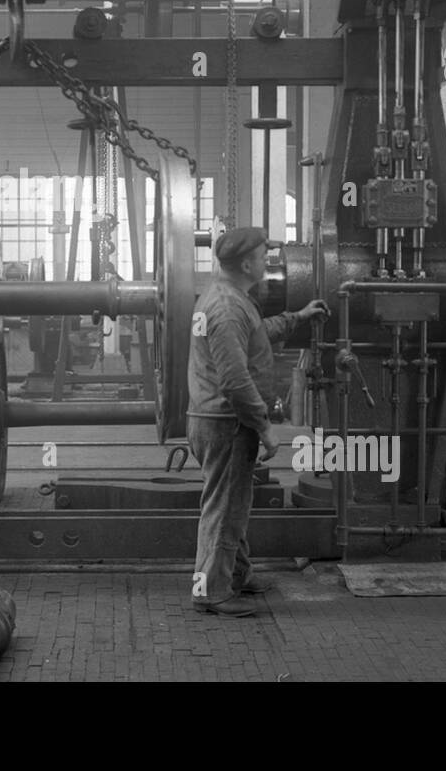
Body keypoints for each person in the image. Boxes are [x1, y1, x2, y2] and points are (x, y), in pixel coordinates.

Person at [187, 226, 328, 617]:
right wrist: (265, 427)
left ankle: (235, 576)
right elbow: (234, 380)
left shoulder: (229, 298)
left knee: (235, 503)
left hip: (219, 419)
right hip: (226, 423)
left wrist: (298, 317)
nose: (268, 261)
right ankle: (210, 592)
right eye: (265, 255)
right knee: (224, 508)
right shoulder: (228, 307)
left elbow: (257, 334)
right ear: (247, 262)